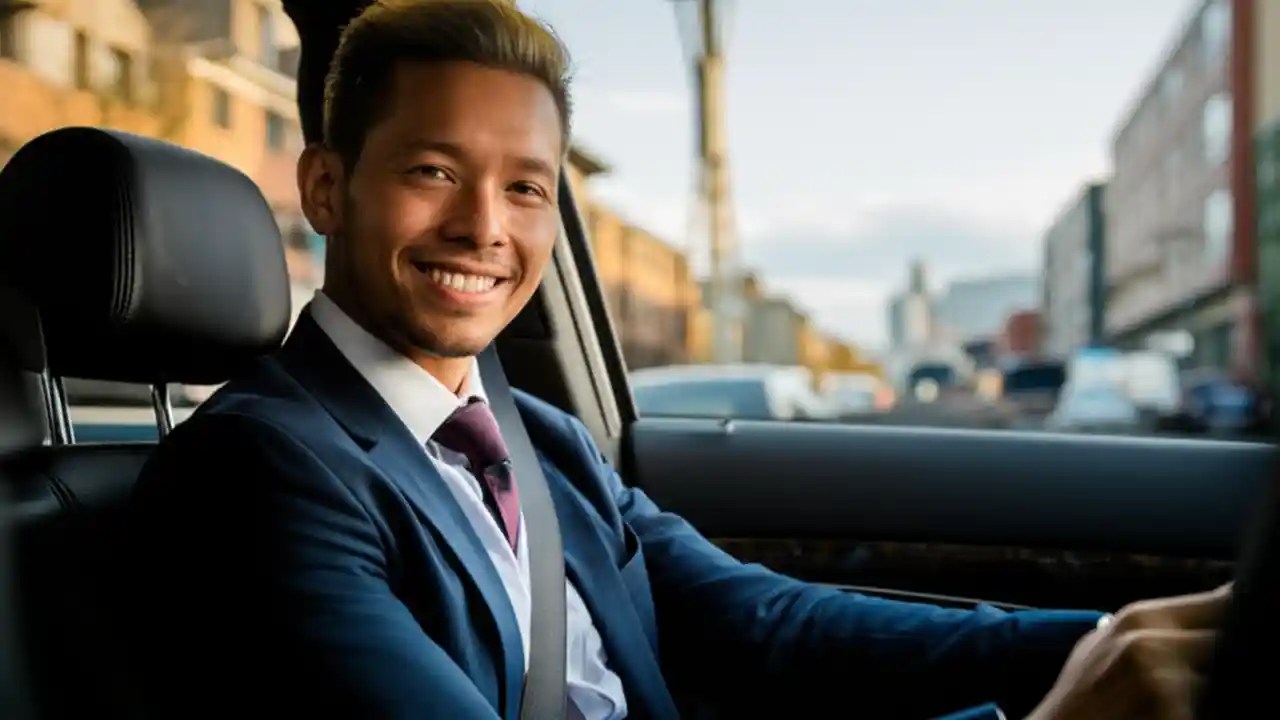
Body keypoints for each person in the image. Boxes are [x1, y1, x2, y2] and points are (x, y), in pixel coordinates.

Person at [128, 2, 1228, 718]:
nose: (485, 228)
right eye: (431, 171)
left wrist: (1106, 635)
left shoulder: (535, 439)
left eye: (525, 188)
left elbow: (760, 619)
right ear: (325, 189)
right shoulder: (260, 469)